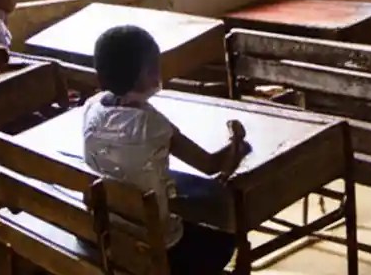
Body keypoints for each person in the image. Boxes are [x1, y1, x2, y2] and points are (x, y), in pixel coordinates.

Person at [84, 25, 248, 274]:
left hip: (109, 237)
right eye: (153, 67)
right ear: (145, 74)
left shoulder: (91, 110)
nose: (157, 73)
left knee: (182, 196)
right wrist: (236, 140)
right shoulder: (152, 124)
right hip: (160, 251)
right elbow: (212, 165)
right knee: (224, 234)